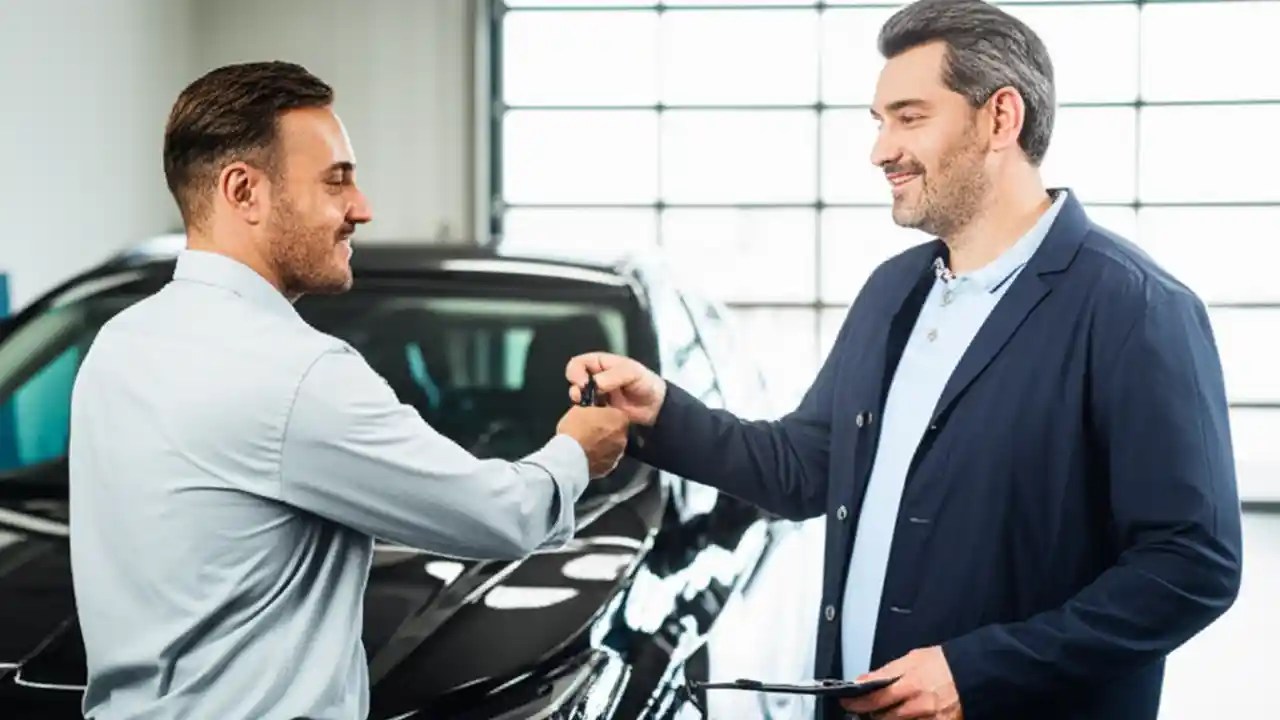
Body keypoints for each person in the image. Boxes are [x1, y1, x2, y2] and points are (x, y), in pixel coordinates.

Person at [566, 1, 1243, 718]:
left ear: (1000, 119)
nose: (881, 149)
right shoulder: (895, 292)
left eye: (909, 117)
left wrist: (977, 671)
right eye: (879, 121)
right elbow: (806, 468)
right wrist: (662, 412)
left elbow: (1190, 565)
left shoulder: (1135, 308)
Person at [67, 61, 630, 720]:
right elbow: (498, 513)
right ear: (243, 191)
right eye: (337, 181)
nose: (360, 209)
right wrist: (576, 449)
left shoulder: (119, 343)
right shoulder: (297, 373)